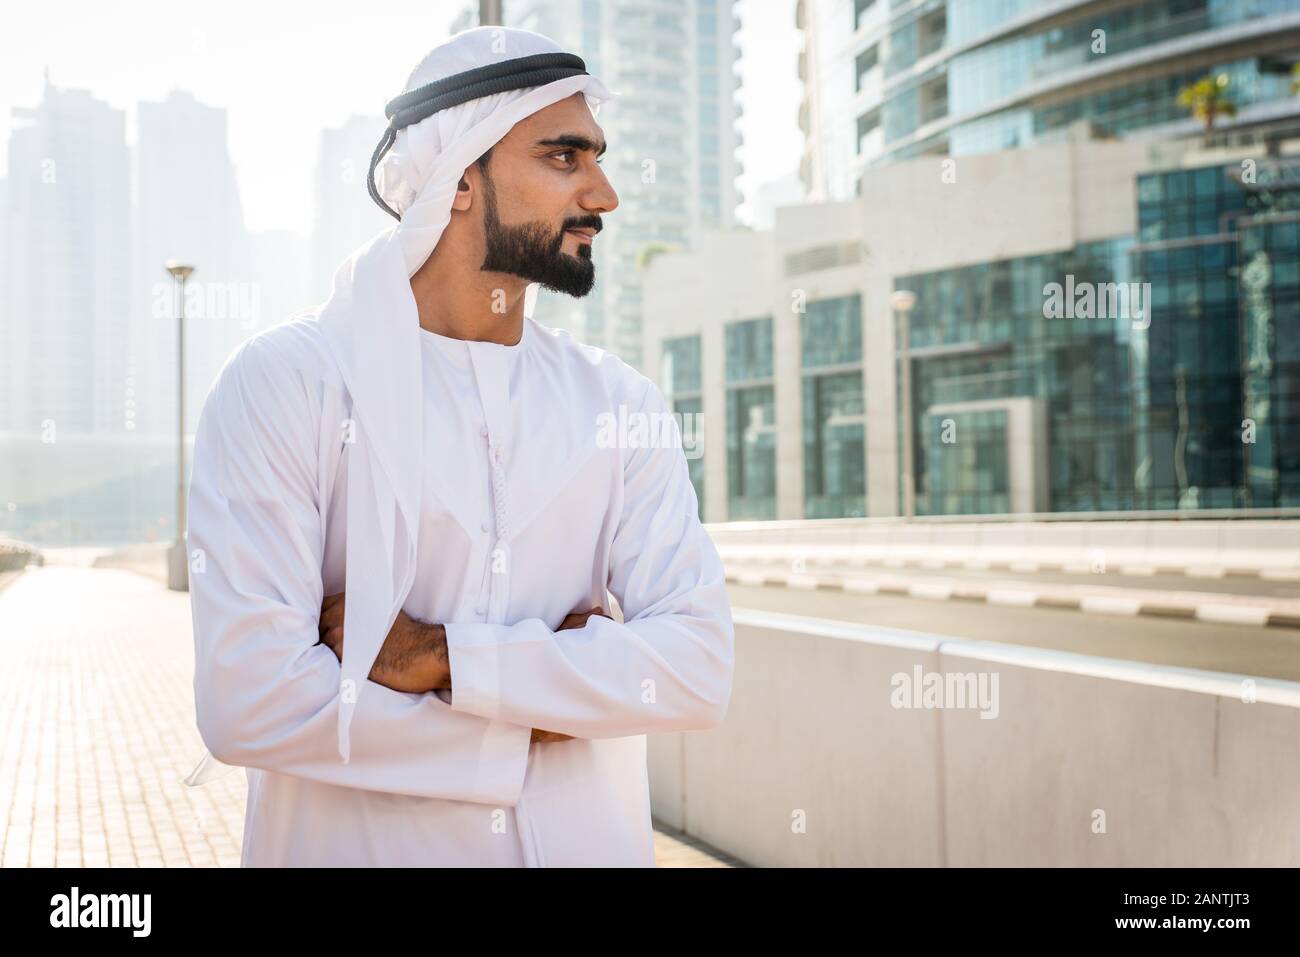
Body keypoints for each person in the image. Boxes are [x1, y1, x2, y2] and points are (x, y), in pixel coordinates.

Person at [182, 26, 735, 867]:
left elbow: (696, 663)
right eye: (563, 158)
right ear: (461, 175)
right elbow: (250, 701)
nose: (605, 193)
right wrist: (551, 707)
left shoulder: (620, 403)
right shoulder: (287, 383)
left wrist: (441, 659)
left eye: (598, 158)